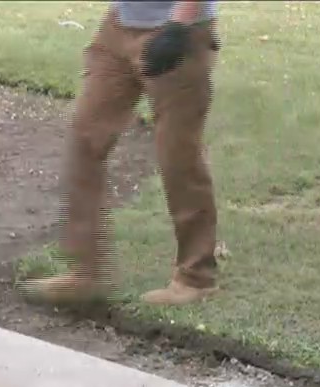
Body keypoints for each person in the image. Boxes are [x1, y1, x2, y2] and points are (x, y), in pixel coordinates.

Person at [21, 0, 222, 309]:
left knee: (178, 153)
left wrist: (179, 26)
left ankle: (196, 277)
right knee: (86, 136)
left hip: (177, 30)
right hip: (120, 26)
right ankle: (86, 272)